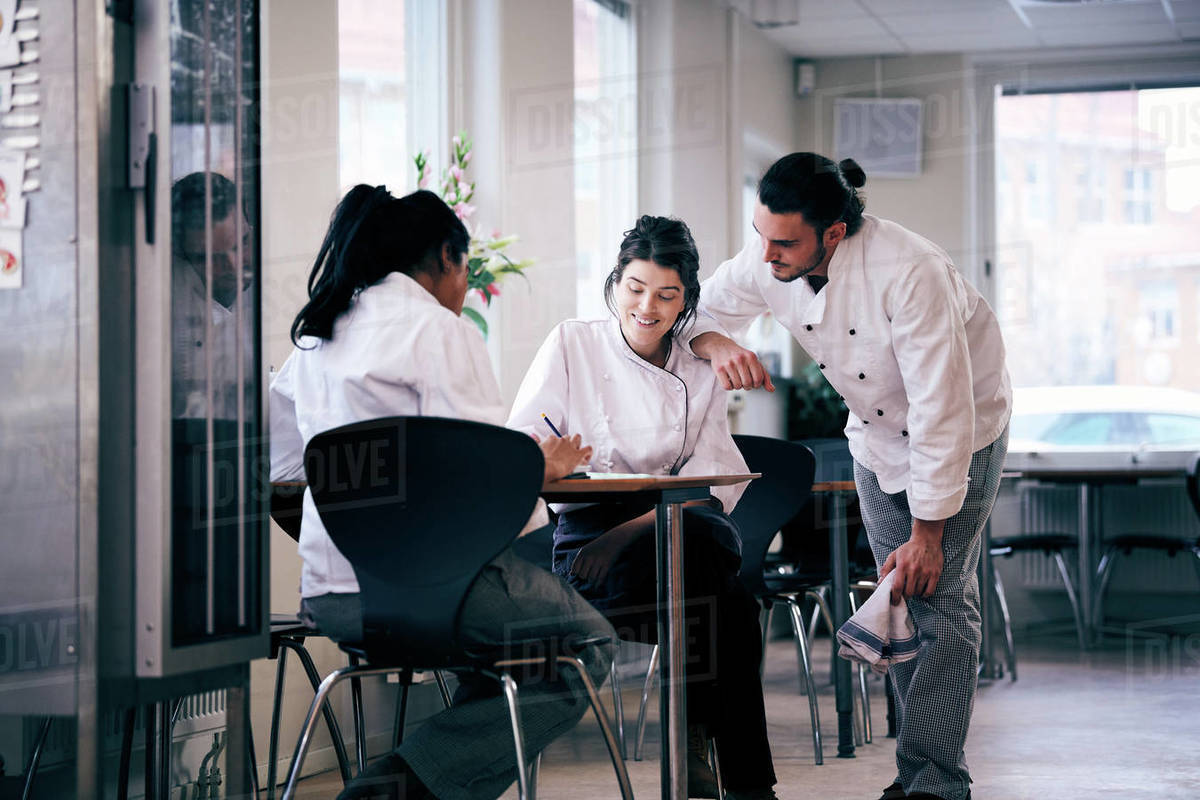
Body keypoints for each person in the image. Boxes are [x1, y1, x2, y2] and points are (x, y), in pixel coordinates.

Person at [269, 185, 614, 800]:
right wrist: (540, 469)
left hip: (333, 598)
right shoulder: (438, 333)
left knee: (515, 655)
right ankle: (390, 793)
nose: (466, 290)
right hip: (437, 594)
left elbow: (281, 470)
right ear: (447, 261)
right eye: (466, 271)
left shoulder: (317, 339)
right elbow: (476, 483)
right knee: (583, 645)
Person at [685, 153, 1012, 800]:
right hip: (876, 443)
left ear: (833, 233)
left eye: (784, 241)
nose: (767, 252)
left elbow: (942, 408)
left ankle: (935, 784)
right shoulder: (766, 258)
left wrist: (928, 532)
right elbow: (698, 313)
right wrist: (719, 343)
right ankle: (918, 774)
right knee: (898, 594)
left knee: (938, 596)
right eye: (760, 234)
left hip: (962, 435)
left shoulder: (912, 272)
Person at [508, 216, 780, 800]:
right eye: (635, 287)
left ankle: (708, 763)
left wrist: (638, 526)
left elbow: (715, 482)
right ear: (616, 281)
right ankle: (731, 774)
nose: (648, 307)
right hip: (590, 551)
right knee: (728, 606)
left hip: (669, 533)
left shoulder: (697, 366)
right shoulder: (572, 343)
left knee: (704, 560)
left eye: (667, 294)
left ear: (688, 299)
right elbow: (522, 448)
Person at [171, 171, 255, 421]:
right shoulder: (170, 310)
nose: (234, 264)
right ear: (182, 255)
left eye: (242, 243)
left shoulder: (263, 288)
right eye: (212, 257)